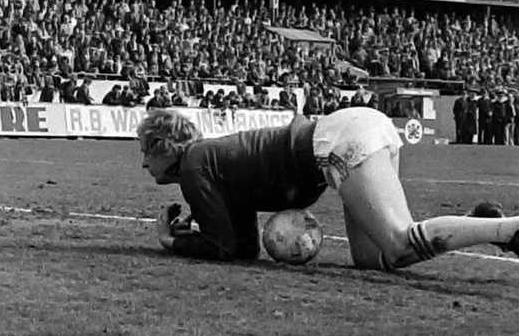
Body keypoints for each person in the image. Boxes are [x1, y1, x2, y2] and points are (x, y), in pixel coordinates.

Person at [136, 107, 519, 269]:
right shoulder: (206, 162)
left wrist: (170, 241)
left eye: (144, 152)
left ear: (164, 148)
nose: (142, 163)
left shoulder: (194, 166)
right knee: (374, 259)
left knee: (401, 243)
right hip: (350, 132)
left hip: (337, 142)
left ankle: (507, 229)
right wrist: (200, 230)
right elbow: (242, 249)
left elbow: (220, 247)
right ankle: (476, 225)